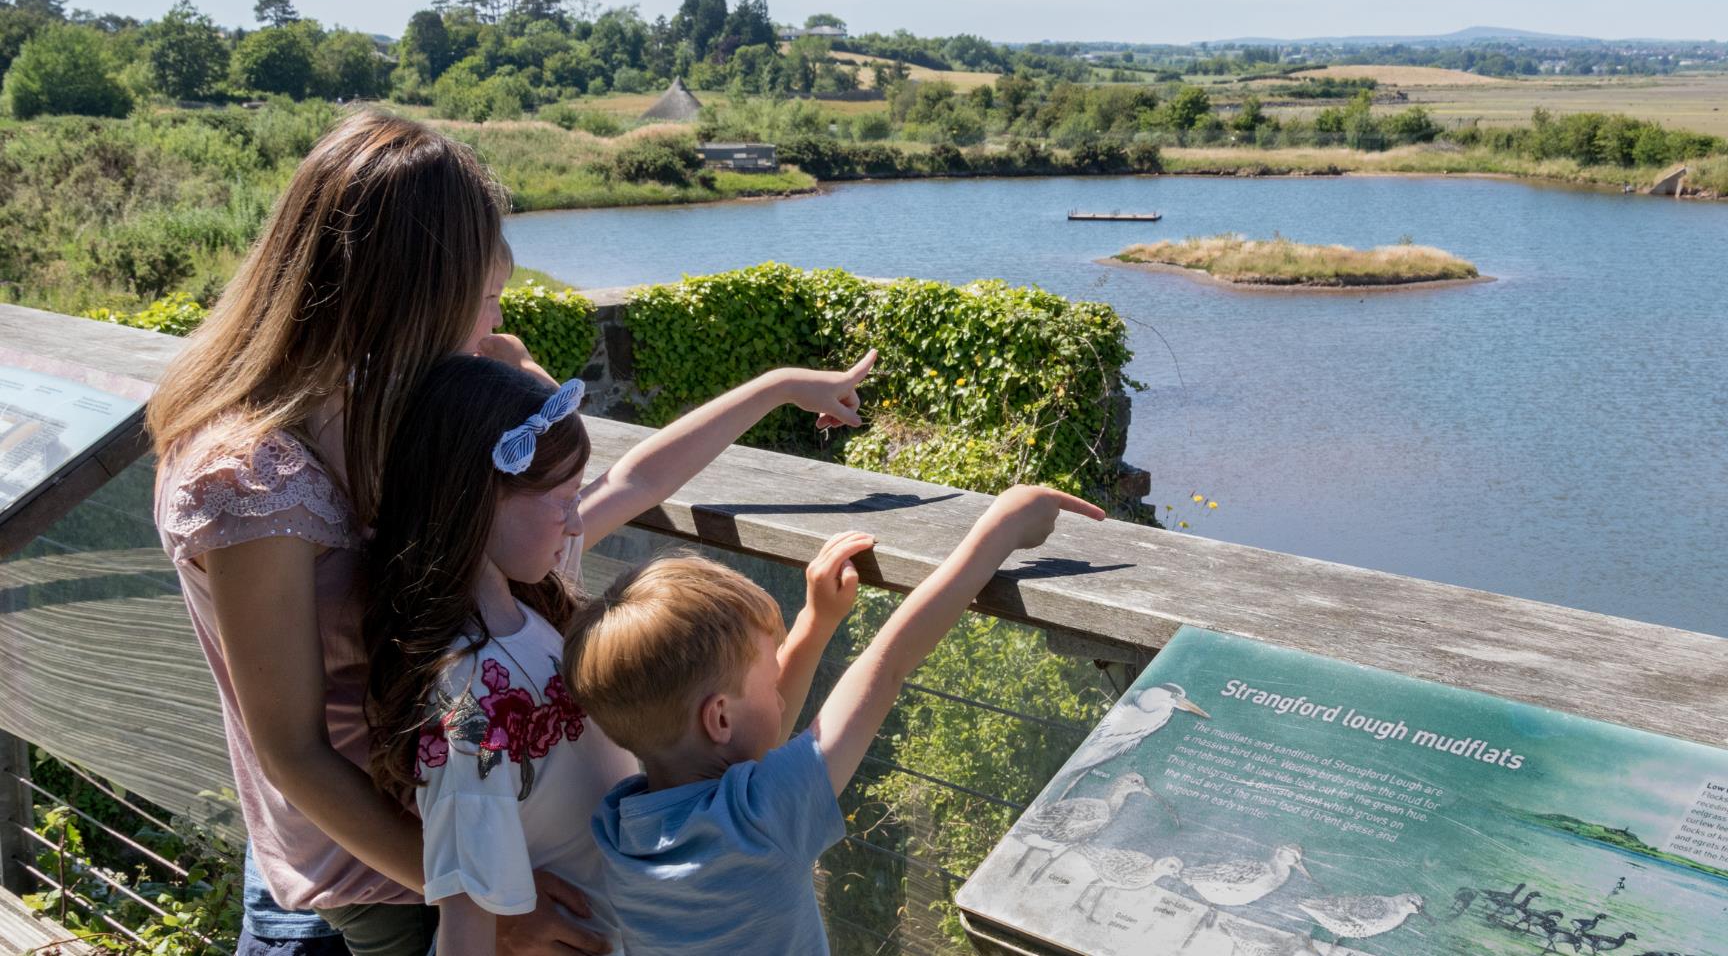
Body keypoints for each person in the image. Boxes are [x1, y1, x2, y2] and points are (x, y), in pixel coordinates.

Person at [149, 110, 600, 956]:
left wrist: (510, 383)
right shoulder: (250, 479)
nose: (493, 326)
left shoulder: (370, 415)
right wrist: (491, 905)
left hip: (432, 849)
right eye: (486, 297)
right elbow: (293, 750)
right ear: (414, 291)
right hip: (378, 882)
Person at [362, 350, 875, 956]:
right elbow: (465, 927)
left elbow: (643, 476)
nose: (577, 522)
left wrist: (778, 385)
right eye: (562, 498)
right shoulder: (467, 705)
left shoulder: (541, 599)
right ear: (478, 500)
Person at [563, 483, 1103, 953]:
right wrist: (1003, 526)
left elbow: (753, 744)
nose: (780, 686)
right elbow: (886, 663)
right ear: (719, 719)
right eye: (768, 675)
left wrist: (816, 623)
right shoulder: (762, 818)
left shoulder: (622, 827)